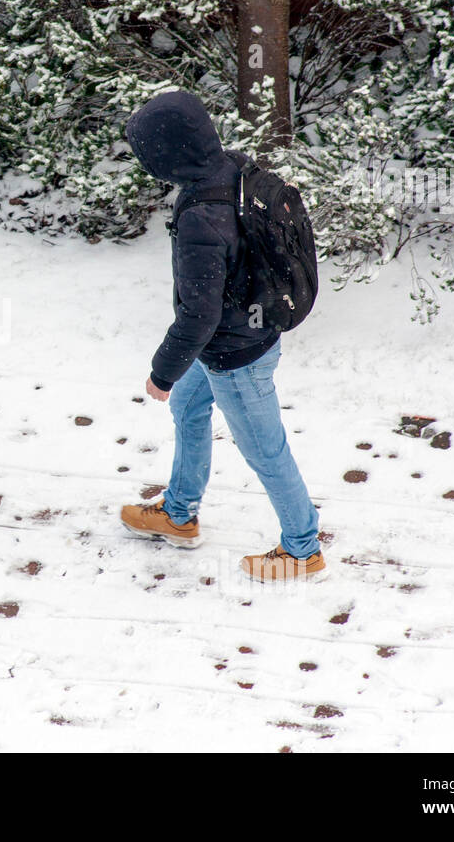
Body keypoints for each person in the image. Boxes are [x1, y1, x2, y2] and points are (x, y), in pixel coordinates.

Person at [119, 91, 326, 583]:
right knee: (189, 410)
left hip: (235, 355)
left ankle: (302, 548)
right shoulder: (229, 167)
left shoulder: (200, 218)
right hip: (238, 336)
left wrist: (162, 371)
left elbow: (199, 314)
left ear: (168, 154)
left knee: (265, 451)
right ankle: (178, 513)